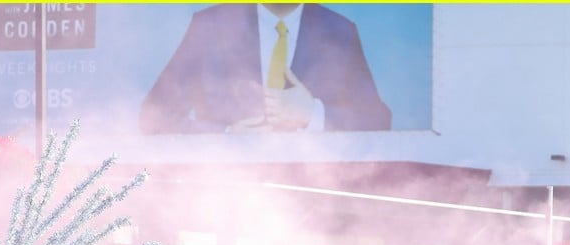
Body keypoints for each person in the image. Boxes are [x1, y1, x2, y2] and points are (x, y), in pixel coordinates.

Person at [139, 3, 391, 134]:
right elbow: (153, 117)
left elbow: (378, 121)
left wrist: (314, 114)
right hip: (223, 200)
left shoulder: (339, 32)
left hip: (314, 205)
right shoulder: (210, 26)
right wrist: (224, 137)